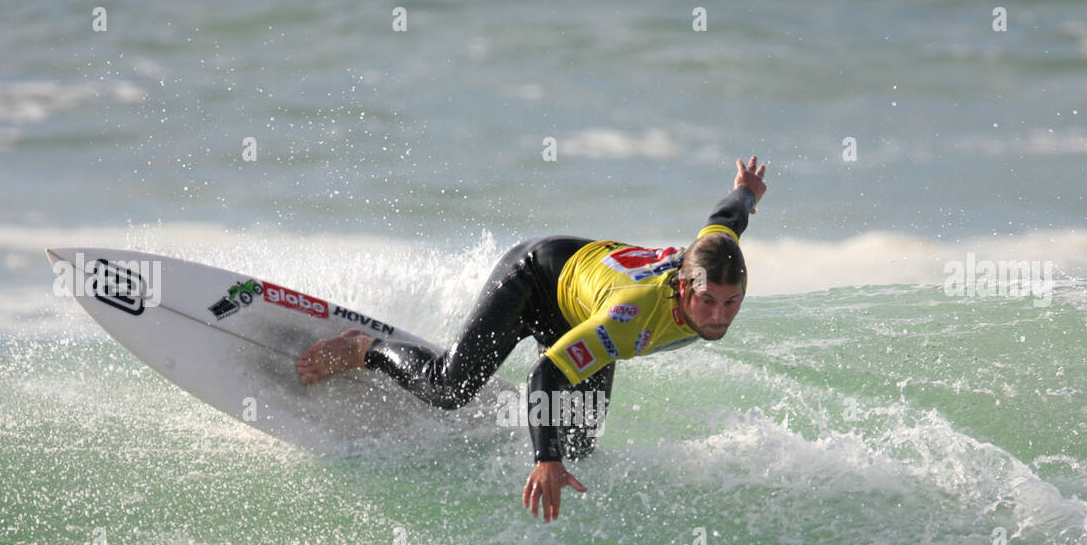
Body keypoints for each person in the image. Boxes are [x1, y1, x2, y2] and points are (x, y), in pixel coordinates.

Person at [297, 155, 767, 522]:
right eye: (707, 302)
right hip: (533, 279)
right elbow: (547, 372)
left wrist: (745, 191)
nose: (718, 316)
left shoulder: (715, 260)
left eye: (731, 304)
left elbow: (727, 217)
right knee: (451, 388)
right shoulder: (632, 318)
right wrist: (545, 458)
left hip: (581, 306)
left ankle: (544, 434)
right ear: (684, 286)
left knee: (578, 442)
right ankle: (364, 349)